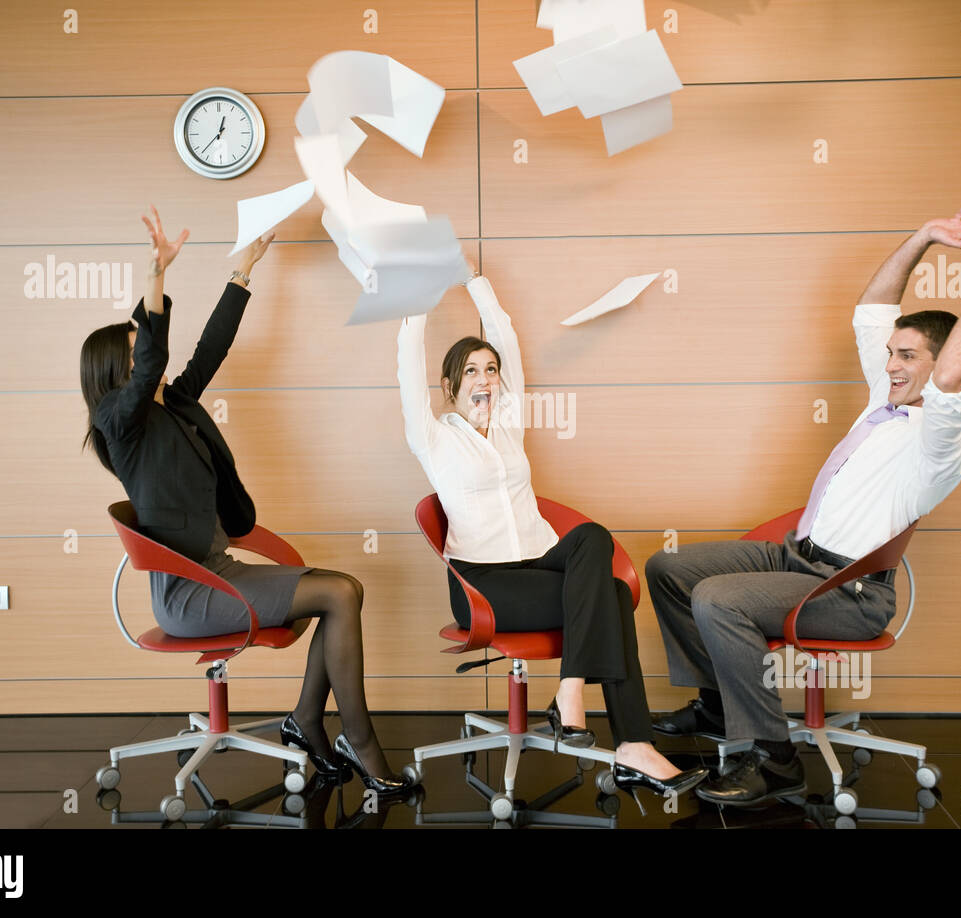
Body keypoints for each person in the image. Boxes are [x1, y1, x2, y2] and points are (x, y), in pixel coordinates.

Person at [646, 202, 961, 807]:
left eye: (908, 356)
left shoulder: (939, 442)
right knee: (668, 570)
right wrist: (923, 236)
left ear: (938, 364)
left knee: (716, 600)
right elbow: (872, 310)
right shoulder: (883, 398)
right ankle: (718, 705)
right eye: (891, 354)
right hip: (795, 558)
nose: (891, 365)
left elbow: (951, 384)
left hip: (848, 589)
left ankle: (776, 761)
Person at [80, 206, 410, 794]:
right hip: (188, 592)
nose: (148, 356)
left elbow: (210, 350)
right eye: (137, 352)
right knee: (339, 591)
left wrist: (244, 271)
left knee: (340, 593)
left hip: (219, 571)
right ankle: (359, 745)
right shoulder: (119, 424)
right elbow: (152, 357)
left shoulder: (172, 407)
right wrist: (156, 275)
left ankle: (305, 721)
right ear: (119, 370)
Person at [397, 261, 709, 802]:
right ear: (448, 386)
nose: (484, 379)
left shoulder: (510, 420)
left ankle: (571, 690)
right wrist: (424, 287)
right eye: (470, 372)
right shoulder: (432, 437)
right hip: (482, 583)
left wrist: (477, 281)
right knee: (609, 595)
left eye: (489, 370)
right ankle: (631, 743)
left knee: (593, 540)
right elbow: (406, 360)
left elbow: (507, 339)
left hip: (540, 562)